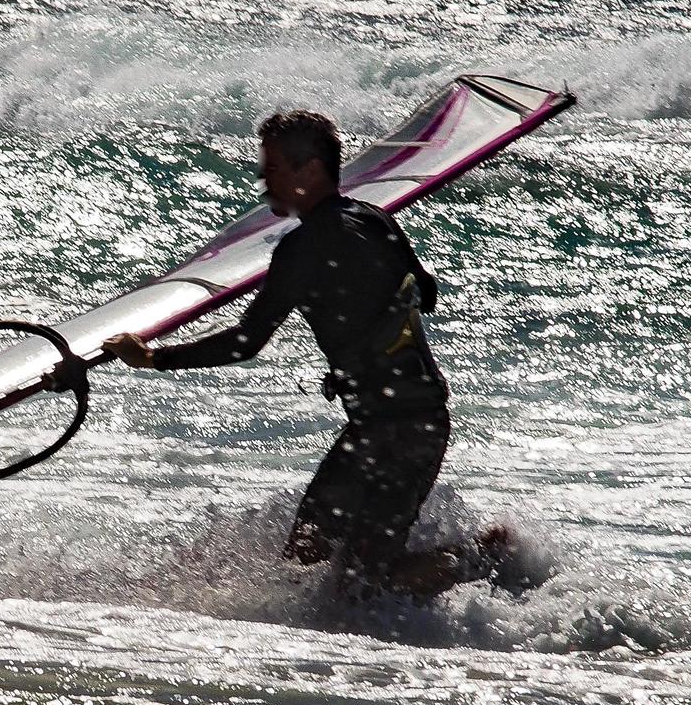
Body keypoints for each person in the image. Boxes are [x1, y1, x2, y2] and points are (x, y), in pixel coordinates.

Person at [104, 109, 483, 597]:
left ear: (309, 170)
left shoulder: (302, 250)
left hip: (395, 428)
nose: (263, 181)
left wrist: (154, 357)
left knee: (362, 577)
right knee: (311, 551)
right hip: (406, 419)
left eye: (274, 169)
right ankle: (464, 563)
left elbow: (245, 342)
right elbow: (425, 293)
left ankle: (486, 556)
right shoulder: (375, 219)